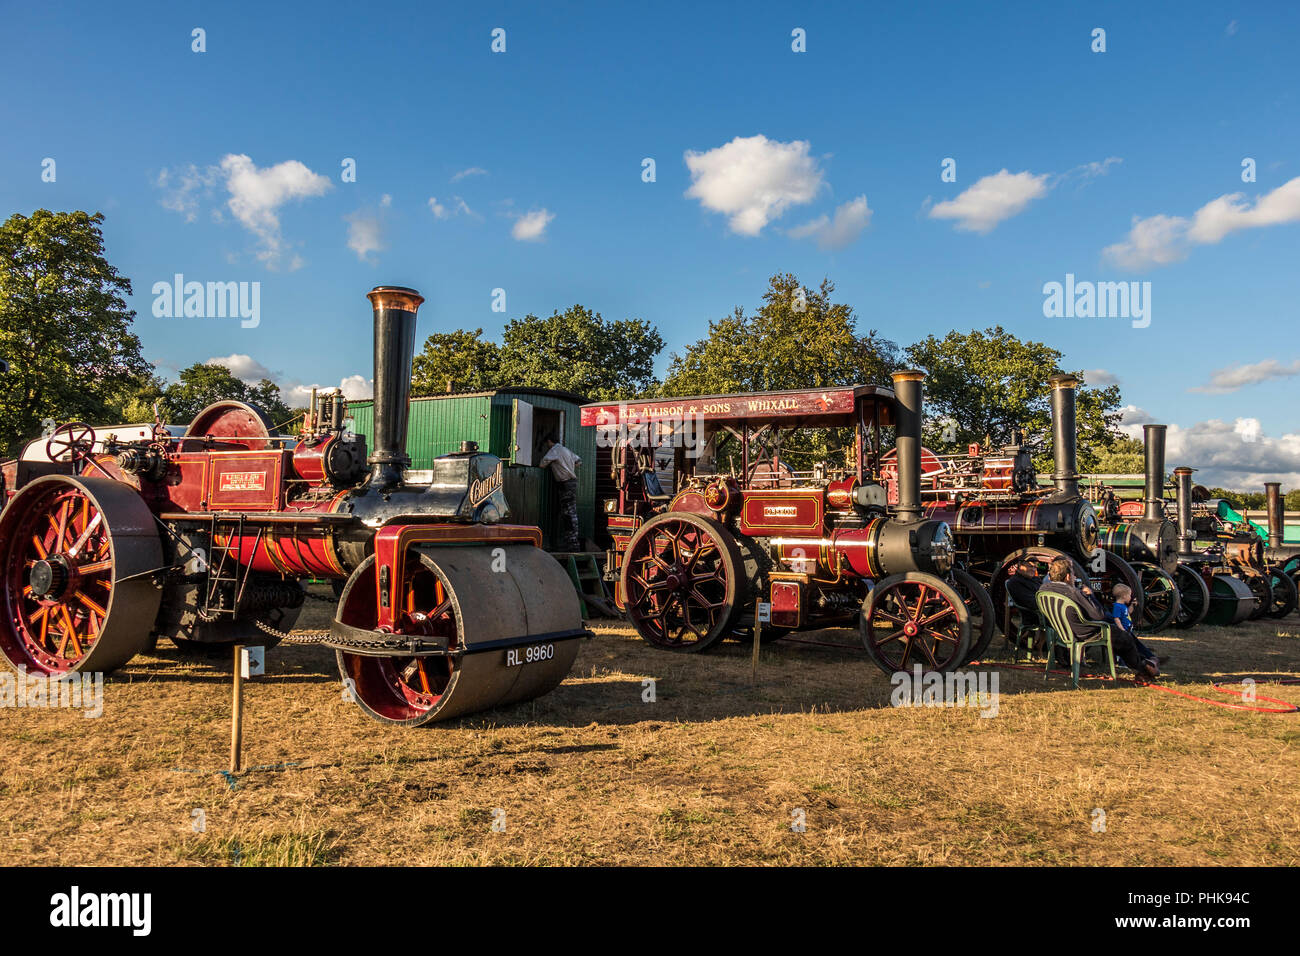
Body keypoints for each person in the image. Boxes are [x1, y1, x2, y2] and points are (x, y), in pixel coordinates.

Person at [1039, 557, 1160, 681]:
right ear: (1068, 577)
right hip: (1083, 632)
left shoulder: (1042, 590)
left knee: (1117, 632)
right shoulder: (1074, 592)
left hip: (1058, 632)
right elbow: (1099, 615)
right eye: (1074, 574)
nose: (1075, 577)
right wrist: (1090, 596)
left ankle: (1146, 663)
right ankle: (1144, 667)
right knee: (1124, 637)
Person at [1108, 584, 1169, 668]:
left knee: (1132, 644)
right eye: (1129, 595)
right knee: (1125, 647)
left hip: (1127, 629)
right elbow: (1116, 619)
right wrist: (1121, 629)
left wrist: (1132, 605)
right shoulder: (1117, 606)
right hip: (1123, 630)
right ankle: (1125, 663)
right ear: (1124, 596)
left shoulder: (1123, 606)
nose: (1130, 597)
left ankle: (1150, 658)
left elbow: (1128, 612)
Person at [539, 434, 582, 552]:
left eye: (547, 444)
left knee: (568, 514)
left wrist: (555, 465)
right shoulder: (565, 450)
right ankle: (573, 542)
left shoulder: (555, 450)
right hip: (572, 482)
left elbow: (542, 464)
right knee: (571, 512)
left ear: (549, 441)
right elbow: (579, 461)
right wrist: (568, 466)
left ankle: (573, 544)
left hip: (564, 484)